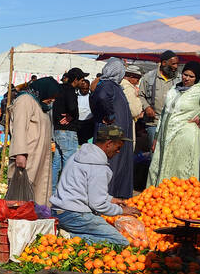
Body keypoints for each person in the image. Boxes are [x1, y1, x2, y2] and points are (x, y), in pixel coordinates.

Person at [51, 123, 141, 247]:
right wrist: (121, 210)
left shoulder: (78, 155)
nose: (118, 151)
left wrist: (111, 199)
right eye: (118, 147)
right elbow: (98, 205)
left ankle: (68, 232)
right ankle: (69, 237)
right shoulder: (99, 168)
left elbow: (83, 188)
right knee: (120, 242)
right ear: (108, 144)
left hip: (58, 211)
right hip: (75, 215)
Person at [147, 61, 200, 185]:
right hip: (165, 137)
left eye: (191, 76)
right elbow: (164, 114)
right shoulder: (174, 90)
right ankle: (159, 197)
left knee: (180, 171)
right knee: (159, 167)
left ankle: (178, 200)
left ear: (197, 78)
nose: (187, 78)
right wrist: (156, 136)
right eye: (185, 74)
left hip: (185, 139)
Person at [7, 76, 58, 206]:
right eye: (51, 96)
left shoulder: (40, 104)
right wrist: (20, 153)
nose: (52, 100)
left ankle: (36, 215)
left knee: (38, 187)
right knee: (25, 187)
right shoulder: (25, 100)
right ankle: (22, 218)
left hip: (39, 154)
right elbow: (19, 127)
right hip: (28, 154)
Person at [89, 59, 135, 199]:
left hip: (116, 134)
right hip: (112, 134)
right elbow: (102, 98)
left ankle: (116, 195)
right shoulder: (107, 85)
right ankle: (107, 198)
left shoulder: (111, 85)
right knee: (111, 165)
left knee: (118, 165)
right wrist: (109, 115)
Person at [51, 67, 89, 193]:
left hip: (57, 130)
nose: (83, 82)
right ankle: (67, 192)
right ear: (76, 79)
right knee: (69, 161)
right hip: (67, 131)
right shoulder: (71, 91)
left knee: (56, 161)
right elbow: (72, 107)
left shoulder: (59, 89)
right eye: (82, 79)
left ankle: (51, 190)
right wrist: (72, 115)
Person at [138, 51, 179, 151]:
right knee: (155, 152)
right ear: (164, 63)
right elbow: (140, 95)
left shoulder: (179, 79)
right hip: (154, 123)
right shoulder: (149, 77)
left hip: (173, 124)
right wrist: (147, 107)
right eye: (173, 64)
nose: (176, 67)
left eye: (177, 64)